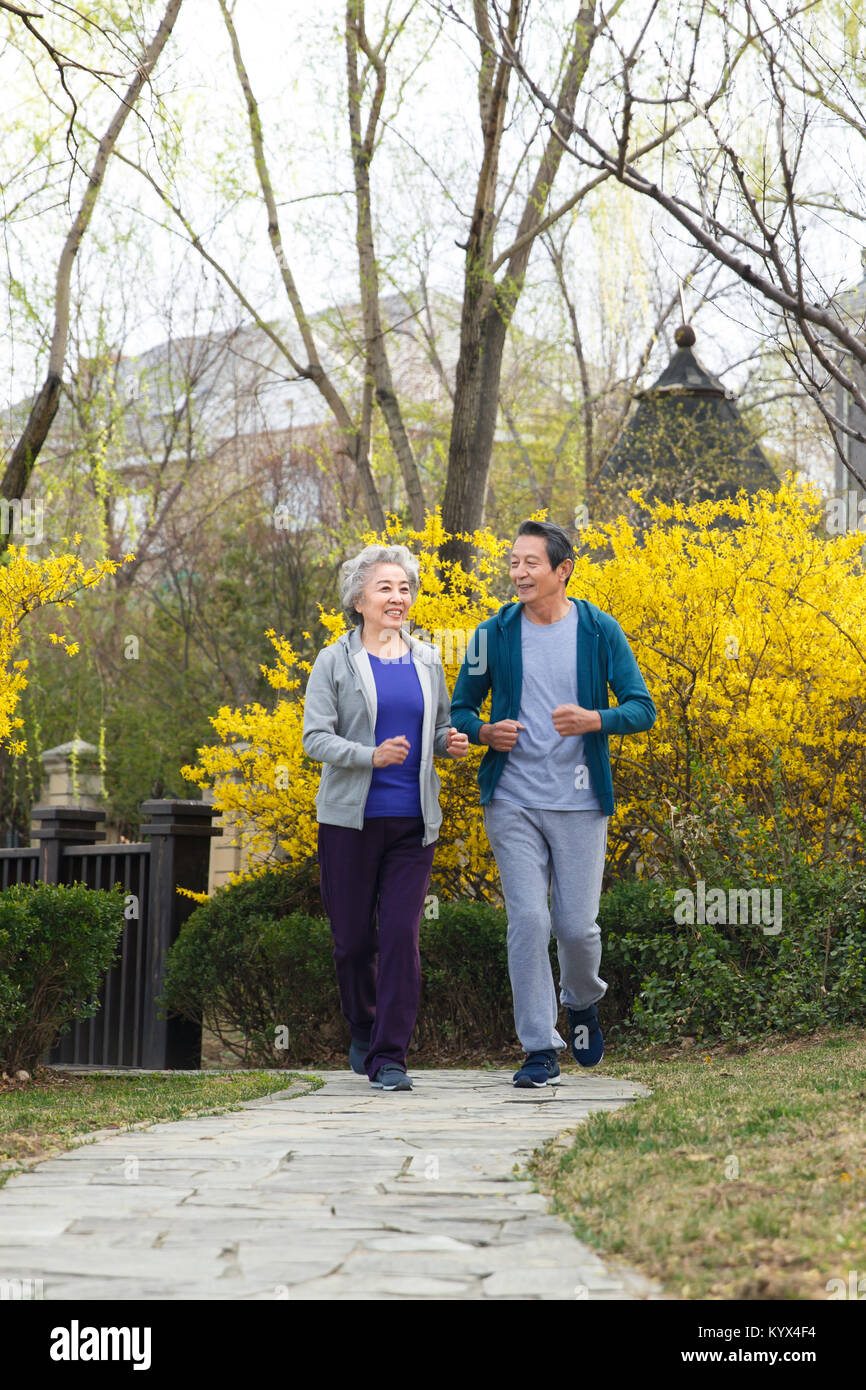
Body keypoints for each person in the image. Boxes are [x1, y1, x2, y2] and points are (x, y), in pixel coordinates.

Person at [450, 519, 656, 1087]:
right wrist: (485, 732)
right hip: (512, 799)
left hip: (580, 801)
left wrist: (596, 719)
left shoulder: (599, 630)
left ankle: (582, 1000)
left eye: (530, 563)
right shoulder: (491, 635)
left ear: (562, 570)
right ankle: (539, 1047)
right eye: (513, 562)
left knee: (576, 928)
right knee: (528, 920)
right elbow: (460, 710)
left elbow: (642, 708)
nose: (518, 573)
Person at [302, 544, 469, 1092]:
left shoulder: (427, 660)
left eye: (404, 588)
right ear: (358, 600)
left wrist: (450, 742)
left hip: (413, 823)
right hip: (349, 823)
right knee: (352, 942)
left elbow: (437, 729)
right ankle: (362, 1024)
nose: (398, 598)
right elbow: (315, 739)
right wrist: (368, 755)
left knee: (400, 935)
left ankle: (390, 1056)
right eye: (385, 588)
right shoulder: (333, 661)